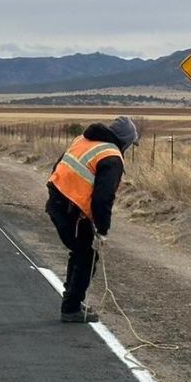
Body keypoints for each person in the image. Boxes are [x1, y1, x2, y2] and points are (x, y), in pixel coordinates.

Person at [45, 116, 138, 323]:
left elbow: (58, 167)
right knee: (86, 256)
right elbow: (104, 197)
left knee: (79, 252)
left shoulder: (82, 140)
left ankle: (72, 301)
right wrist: (102, 230)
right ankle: (70, 308)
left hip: (57, 202)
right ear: (125, 141)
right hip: (73, 211)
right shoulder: (112, 157)